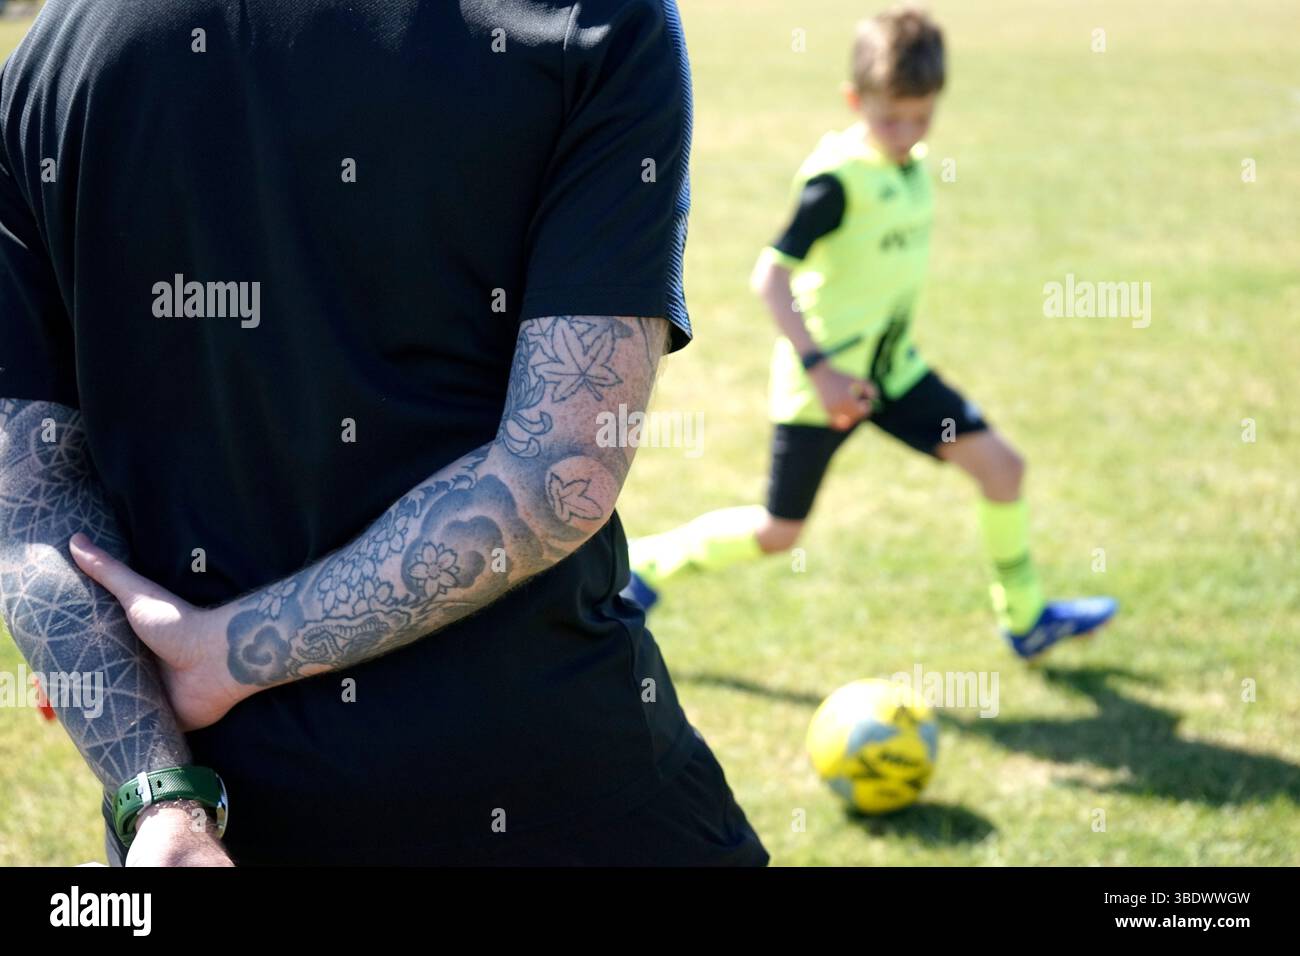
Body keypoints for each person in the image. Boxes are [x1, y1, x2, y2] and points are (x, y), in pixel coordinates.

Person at [0, 0, 767, 866]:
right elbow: (562, 474)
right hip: (552, 787)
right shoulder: (591, 19)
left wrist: (161, 803)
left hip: (211, 828)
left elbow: (31, 505)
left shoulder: (47, 60)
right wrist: (222, 658)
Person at [622, 7, 1117, 660]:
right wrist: (822, 371)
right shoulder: (836, 181)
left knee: (1003, 469)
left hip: (892, 376)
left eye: (922, 115)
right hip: (823, 384)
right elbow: (769, 276)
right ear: (855, 101)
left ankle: (1025, 620)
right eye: (891, 117)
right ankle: (649, 565)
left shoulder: (910, 165)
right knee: (779, 533)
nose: (907, 132)